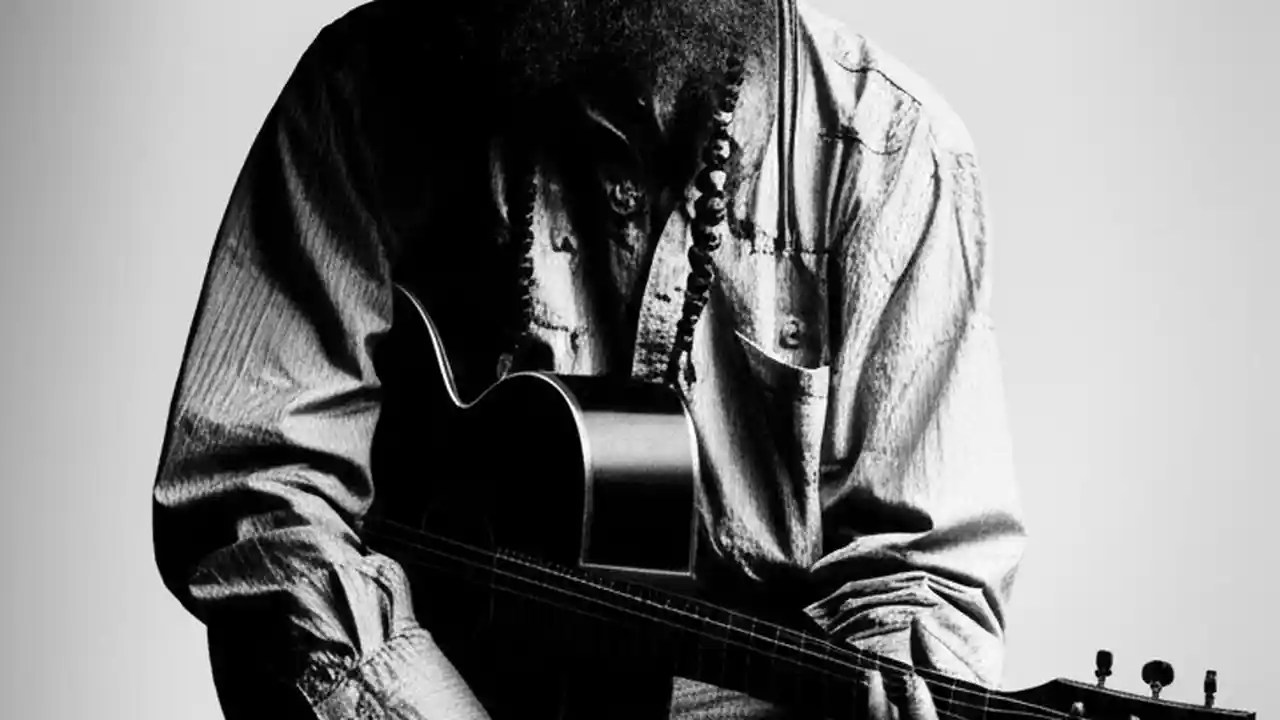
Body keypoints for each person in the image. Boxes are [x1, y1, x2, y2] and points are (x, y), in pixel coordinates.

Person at [152, 0, 1026, 717]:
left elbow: (922, 588)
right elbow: (257, 488)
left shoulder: (894, 157)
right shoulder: (361, 91)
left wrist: (896, 675)